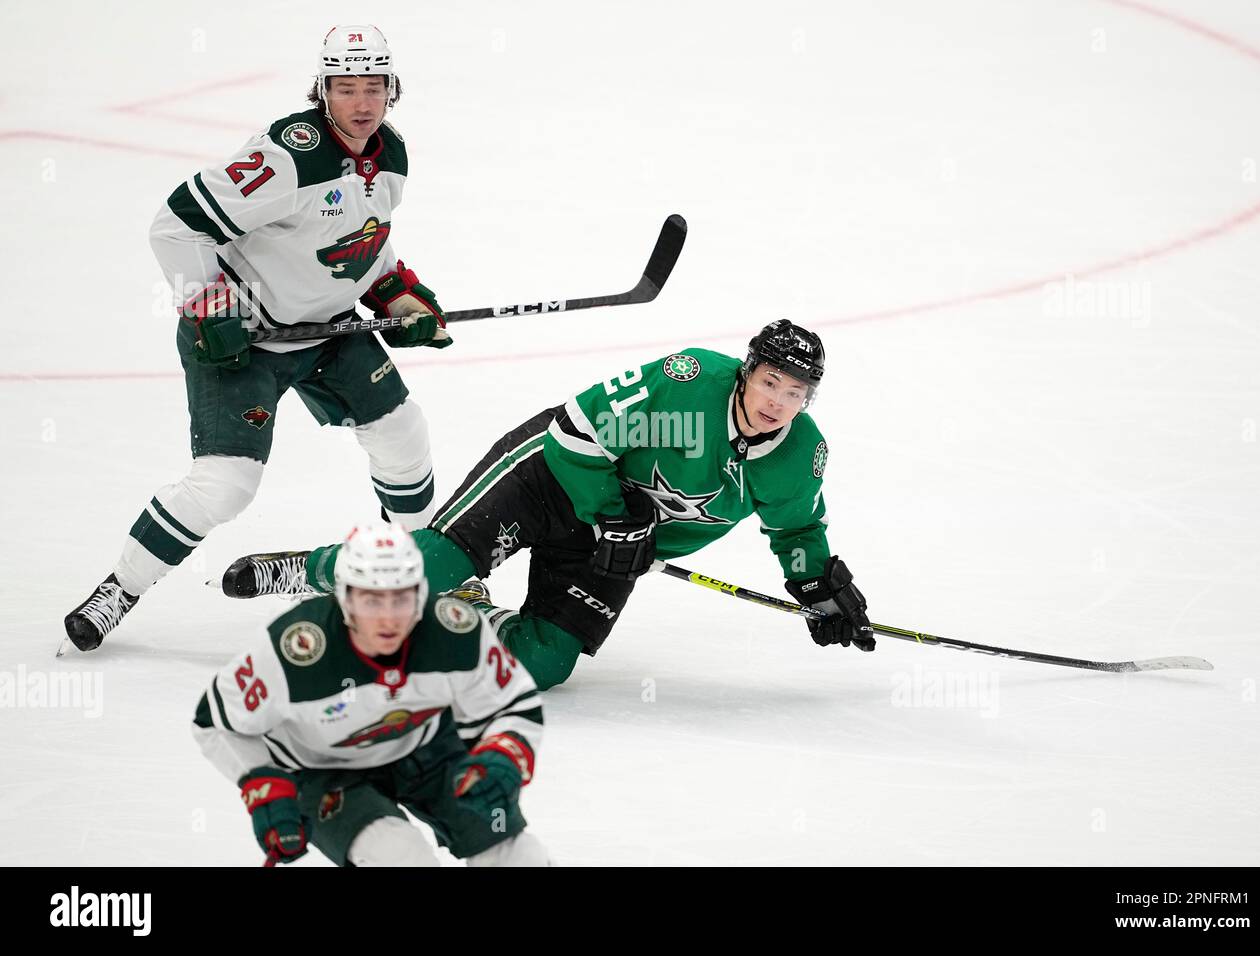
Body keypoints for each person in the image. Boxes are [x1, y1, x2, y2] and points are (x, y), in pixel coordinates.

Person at [63, 24, 450, 652]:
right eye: (345, 87)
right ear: (322, 90)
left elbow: (366, 240)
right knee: (226, 486)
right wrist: (210, 304)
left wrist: (398, 294)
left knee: (404, 433)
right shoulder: (288, 157)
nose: (361, 102)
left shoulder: (392, 155)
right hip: (243, 340)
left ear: (391, 89)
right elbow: (175, 226)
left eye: (373, 87)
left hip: (325, 331)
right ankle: (121, 589)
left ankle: (427, 571)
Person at [223, 320, 875, 690]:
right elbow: (577, 429)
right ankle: (306, 569)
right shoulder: (689, 383)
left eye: (795, 394)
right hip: (554, 478)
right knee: (426, 572)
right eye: (769, 382)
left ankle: (473, 614)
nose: (777, 403)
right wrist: (614, 512)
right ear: (745, 372)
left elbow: (796, 529)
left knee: (541, 666)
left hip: (611, 546)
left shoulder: (797, 456)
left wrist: (815, 584)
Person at [193, 522, 549, 867]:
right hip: (326, 769)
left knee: (517, 855)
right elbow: (216, 721)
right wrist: (263, 783)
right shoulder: (296, 648)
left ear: (422, 594)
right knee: (401, 858)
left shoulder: (454, 629)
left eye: (401, 598)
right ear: (344, 598)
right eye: (371, 601)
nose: (388, 619)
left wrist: (504, 754)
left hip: (426, 750)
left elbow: (512, 703)